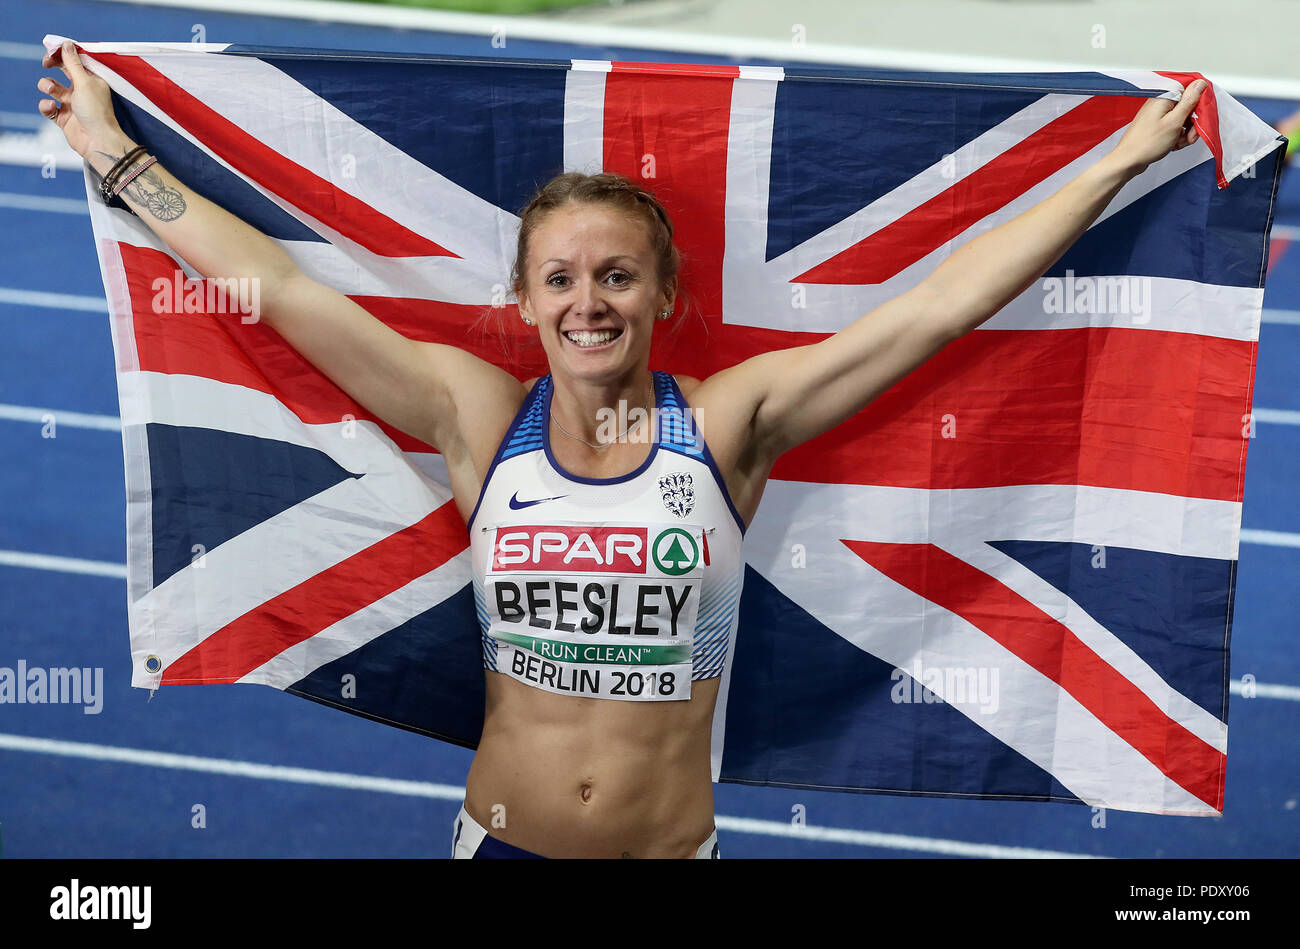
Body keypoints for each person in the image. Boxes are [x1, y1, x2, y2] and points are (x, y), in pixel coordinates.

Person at [39, 39, 1205, 859]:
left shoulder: (730, 423)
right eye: (560, 278)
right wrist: (110, 153)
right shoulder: (478, 418)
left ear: (660, 293)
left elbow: (935, 310)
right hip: (495, 846)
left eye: (614, 275)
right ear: (525, 298)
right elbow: (280, 288)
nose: (586, 300)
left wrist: (1116, 161)